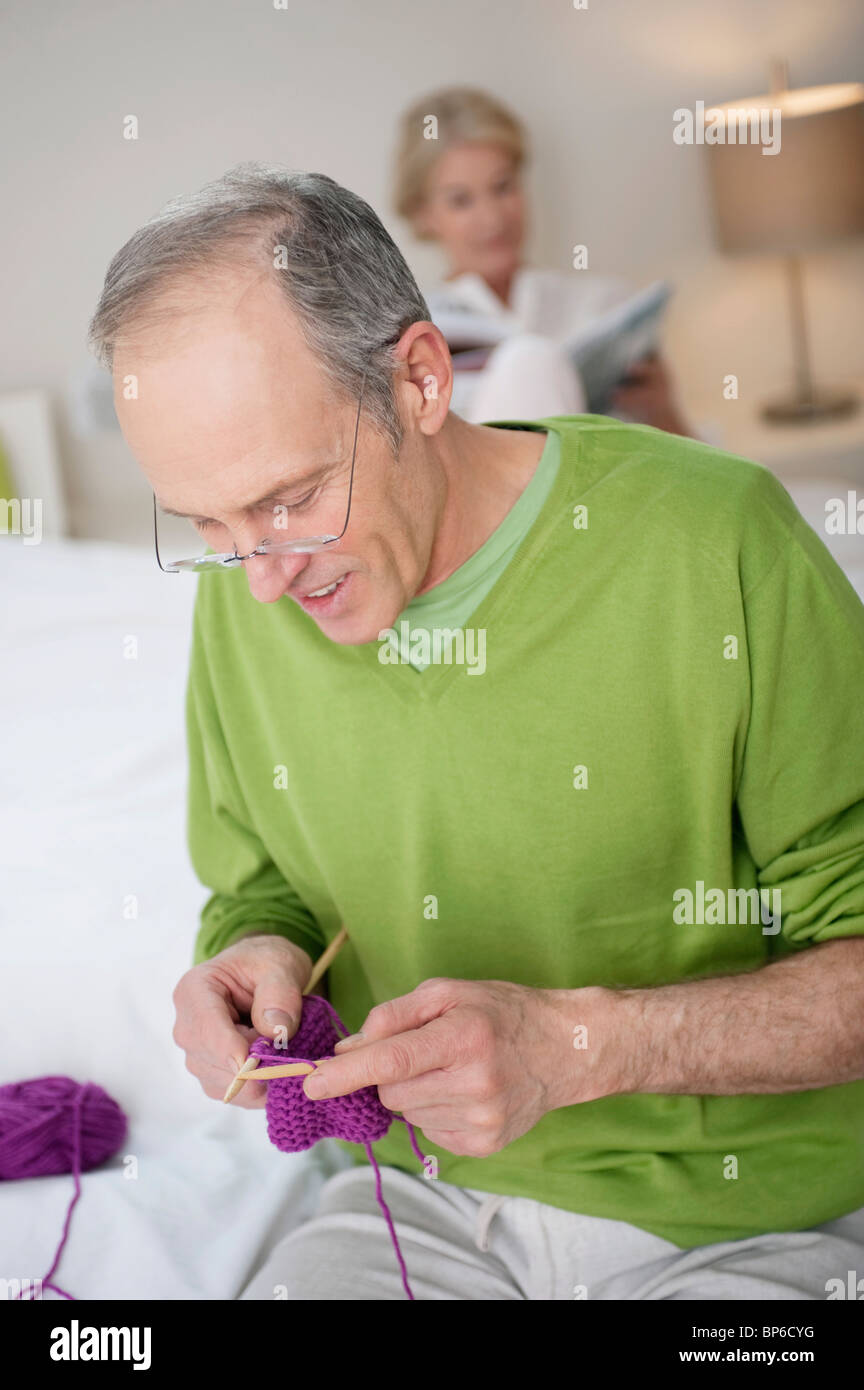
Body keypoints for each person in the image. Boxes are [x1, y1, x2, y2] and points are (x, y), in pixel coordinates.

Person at [88, 162, 864, 1301]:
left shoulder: (718, 542)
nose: (258, 577)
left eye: (292, 498)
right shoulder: (250, 585)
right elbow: (267, 893)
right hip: (412, 1205)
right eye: (210, 524)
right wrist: (260, 961)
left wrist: (586, 1046)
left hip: (743, 1220)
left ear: (418, 381)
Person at [392, 86, 694, 435]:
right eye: (461, 201)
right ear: (422, 215)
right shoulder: (412, 339)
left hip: (615, 482)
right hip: (498, 485)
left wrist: (663, 412)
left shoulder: (604, 306)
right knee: (529, 361)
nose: (493, 219)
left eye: (503, 187)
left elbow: (696, 471)